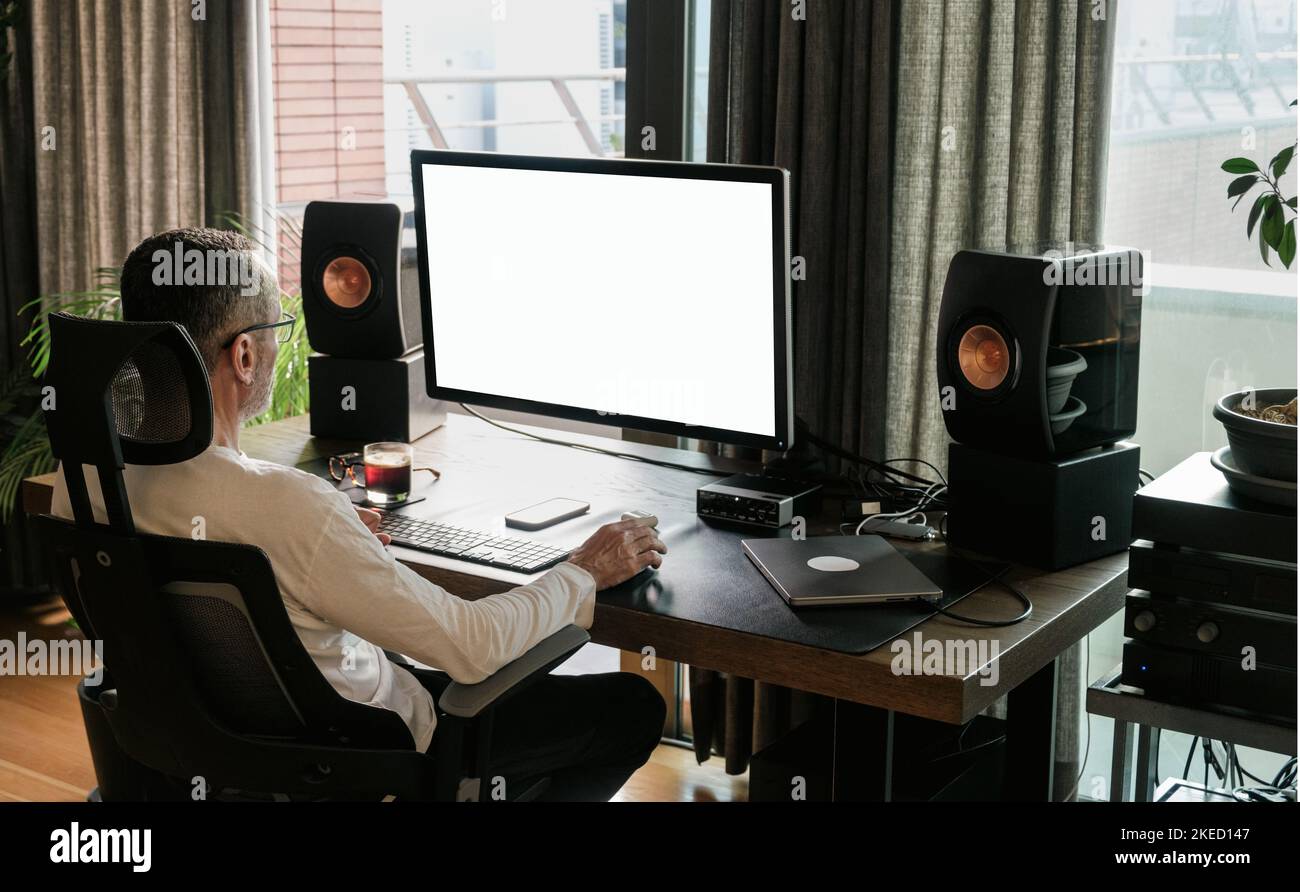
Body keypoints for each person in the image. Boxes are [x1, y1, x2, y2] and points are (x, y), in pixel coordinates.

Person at [50, 228, 668, 801]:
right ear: (243, 356)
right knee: (631, 706)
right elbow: (472, 648)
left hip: (222, 754)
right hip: (366, 752)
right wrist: (584, 569)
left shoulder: (76, 489)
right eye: (275, 329)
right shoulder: (287, 506)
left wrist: (334, 542)